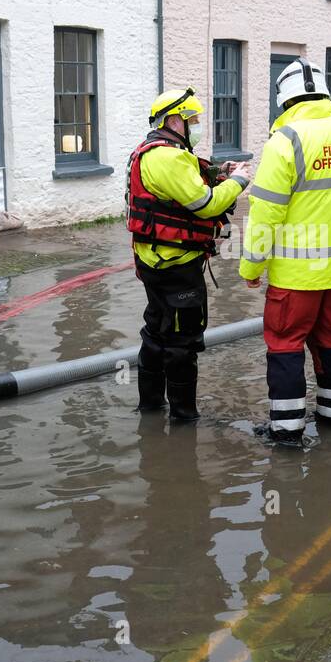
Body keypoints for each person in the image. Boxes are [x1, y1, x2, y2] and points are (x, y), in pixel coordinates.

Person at [239, 58, 331, 446]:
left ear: (284, 102)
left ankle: (287, 432)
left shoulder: (284, 142)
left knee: (285, 346)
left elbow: (265, 214)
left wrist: (251, 266)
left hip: (295, 279)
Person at [127, 87, 251, 420]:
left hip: (154, 260)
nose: (196, 125)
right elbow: (205, 203)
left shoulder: (155, 152)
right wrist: (239, 181)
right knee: (183, 341)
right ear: (173, 121)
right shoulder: (167, 156)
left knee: (157, 331)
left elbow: (185, 184)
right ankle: (185, 421)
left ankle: (151, 409)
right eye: (192, 120)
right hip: (176, 264)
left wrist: (217, 173)